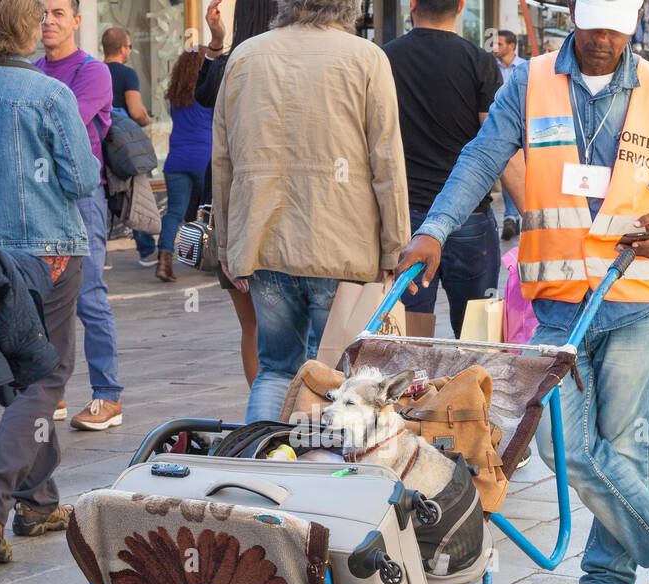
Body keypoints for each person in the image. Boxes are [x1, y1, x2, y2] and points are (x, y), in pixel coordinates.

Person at [397, 0, 649, 584]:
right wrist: (434, 229)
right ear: (572, 20)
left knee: (626, 450)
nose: (603, 42)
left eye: (617, 31)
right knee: (563, 448)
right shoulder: (529, 81)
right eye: (593, 28)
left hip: (637, 298)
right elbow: (480, 158)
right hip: (558, 304)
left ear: (632, 28)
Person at [0, 0, 99, 564]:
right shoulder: (52, 95)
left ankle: (38, 501)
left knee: (20, 375)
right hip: (48, 251)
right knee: (46, 377)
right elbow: (82, 179)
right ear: (29, 31)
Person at [212, 0, 409, 423]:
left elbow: (223, 160)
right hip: (343, 250)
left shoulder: (245, 56)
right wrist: (396, 248)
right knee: (349, 375)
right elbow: (387, 163)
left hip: (265, 244)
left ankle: (261, 460)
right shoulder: (367, 58)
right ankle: (335, 476)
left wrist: (228, 246)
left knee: (276, 369)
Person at [384, 0, 501, 338]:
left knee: (408, 337)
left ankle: (413, 390)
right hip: (470, 217)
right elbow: (495, 141)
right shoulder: (480, 61)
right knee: (477, 338)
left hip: (407, 216)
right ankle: (471, 390)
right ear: (462, 6)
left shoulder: (386, 58)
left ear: (413, 5)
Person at [36, 0, 123, 432]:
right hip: (37, 197)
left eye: (56, 12)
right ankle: (52, 390)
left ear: (76, 20)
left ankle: (108, 395)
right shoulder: (31, 70)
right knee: (44, 298)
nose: (48, 21)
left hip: (80, 196)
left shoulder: (93, 71)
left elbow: (65, 122)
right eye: (42, 13)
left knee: (88, 295)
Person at [197, 0, 276, 386]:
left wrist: (217, 42)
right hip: (281, 211)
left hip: (234, 211)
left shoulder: (235, 64)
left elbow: (204, 95)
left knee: (252, 328)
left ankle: (262, 419)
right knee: (287, 331)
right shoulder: (285, 62)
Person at [101, 26, 157, 269]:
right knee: (134, 196)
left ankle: (101, 256)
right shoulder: (128, 74)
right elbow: (135, 111)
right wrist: (147, 119)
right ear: (123, 48)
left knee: (101, 197)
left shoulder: (94, 70)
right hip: (123, 149)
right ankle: (146, 252)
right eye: (129, 47)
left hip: (99, 143)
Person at [154, 50, 212, 282]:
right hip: (204, 159)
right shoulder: (208, 96)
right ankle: (210, 259)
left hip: (176, 160)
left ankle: (164, 259)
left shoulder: (174, 99)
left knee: (174, 212)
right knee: (211, 210)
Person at [493, 28, 526, 240]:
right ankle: (511, 217)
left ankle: (514, 216)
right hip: (497, 126)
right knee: (506, 169)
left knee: (515, 170)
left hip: (523, 126)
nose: (495, 48)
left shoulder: (525, 68)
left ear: (512, 46)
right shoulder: (489, 67)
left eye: (500, 44)